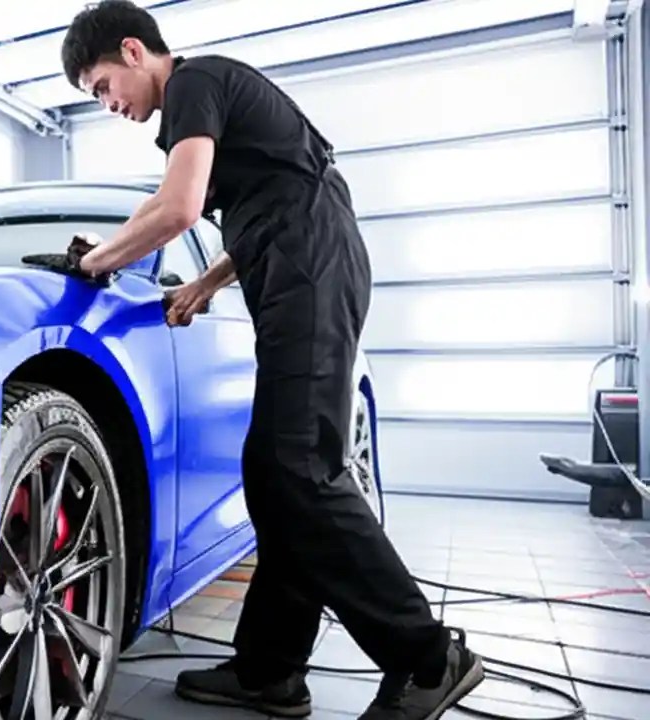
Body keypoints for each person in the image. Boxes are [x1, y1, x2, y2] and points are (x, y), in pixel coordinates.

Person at [57, 2, 485, 719]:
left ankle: (430, 656)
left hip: (312, 269)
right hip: (298, 266)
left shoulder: (195, 84)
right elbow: (265, 204)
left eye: (102, 86)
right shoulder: (208, 107)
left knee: (301, 468)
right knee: (275, 471)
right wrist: (203, 283)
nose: (108, 105)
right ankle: (270, 671)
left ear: (134, 51)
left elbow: (178, 207)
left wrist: (95, 261)